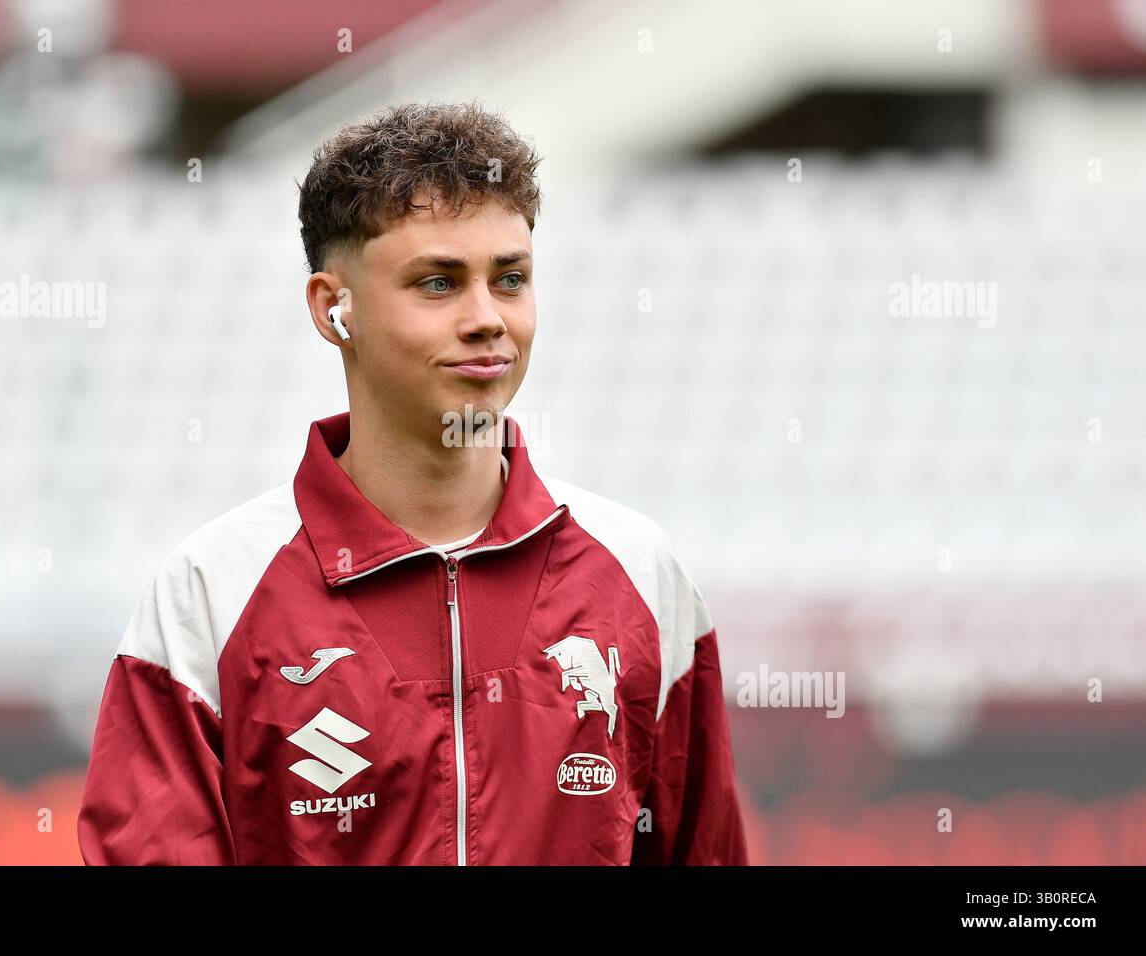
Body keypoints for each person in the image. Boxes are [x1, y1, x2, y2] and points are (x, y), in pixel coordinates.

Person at [77, 100, 748, 865]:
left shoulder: (639, 573)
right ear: (336, 310)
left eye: (511, 279)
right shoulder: (209, 594)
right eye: (438, 283)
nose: (487, 318)